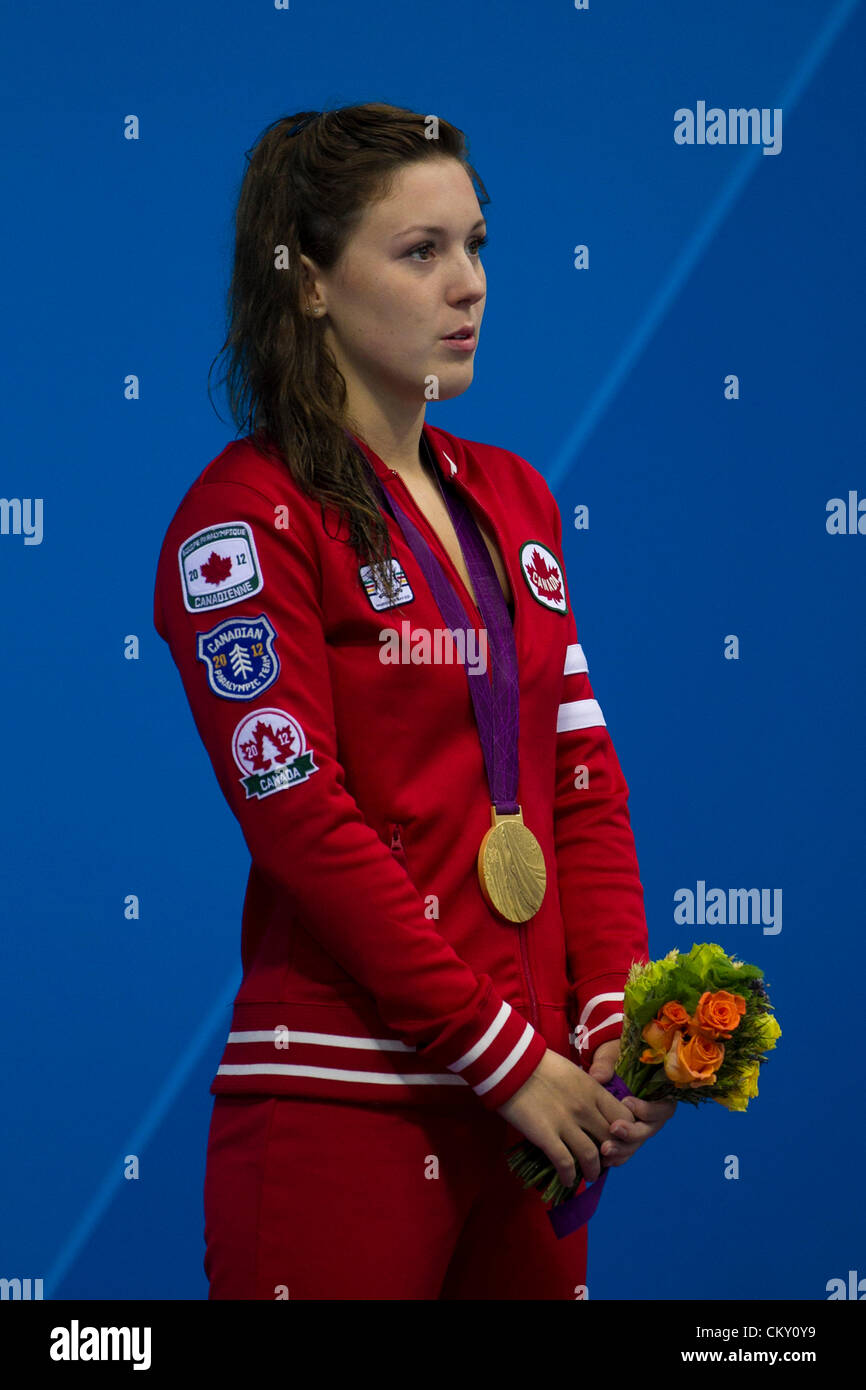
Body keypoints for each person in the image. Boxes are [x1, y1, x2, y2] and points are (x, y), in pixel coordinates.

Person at [153, 101, 675, 1301]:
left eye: (476, 245)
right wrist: (505, 1056)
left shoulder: (516, 498)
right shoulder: (243, 522)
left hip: (539, 1113)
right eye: (419, 251)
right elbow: (307, 831)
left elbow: (579, 787)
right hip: (349, 1100)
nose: (468, 285)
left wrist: (610, 1019)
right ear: (312, 285)